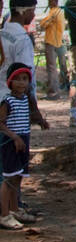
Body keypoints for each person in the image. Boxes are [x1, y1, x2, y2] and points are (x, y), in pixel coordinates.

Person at [0, 63, 49, 230]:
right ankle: (4, 215)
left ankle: (15, 209)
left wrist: (41, 121)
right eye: (18, 79)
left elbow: (28, 117)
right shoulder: (8, 101)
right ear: (10, 82)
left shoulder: (25, 99)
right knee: (9, 179)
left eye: (25, 79)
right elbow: (1, 124)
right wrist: (14, 137)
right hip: (11, 143)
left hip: (24, 141)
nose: (21, 83)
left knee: (18, 176)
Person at [0, 0, 38, 101]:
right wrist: (32, 105)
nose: (34, 15)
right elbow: (24, 73)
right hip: (15, 100)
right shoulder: (22, 39)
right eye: (32, 11)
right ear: (23, 12)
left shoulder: (2, 34)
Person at [38, 0, 68, 97]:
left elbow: (43, 23)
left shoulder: (54, 12)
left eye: (50, 1)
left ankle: (53, 91)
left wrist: (43, 23)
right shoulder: (59, 11)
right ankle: (63, 86)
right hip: (58, 41)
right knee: (61, 65)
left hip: (51, 41)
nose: (49, 3)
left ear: (55, 1)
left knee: (51, 67)